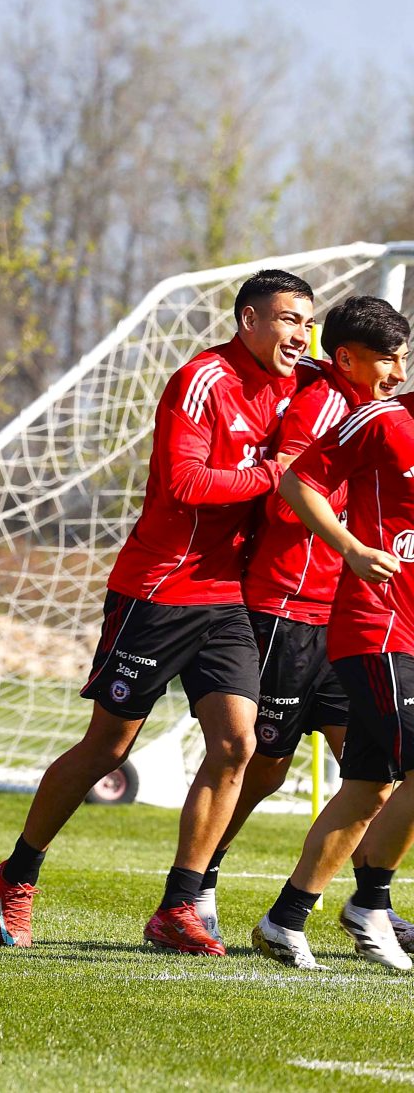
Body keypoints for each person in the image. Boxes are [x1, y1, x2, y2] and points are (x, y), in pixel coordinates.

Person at [0, 269, 313, 953]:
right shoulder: (202, 380)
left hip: (228, 598)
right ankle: (18, 872)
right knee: (108, 745)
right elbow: (186, 481)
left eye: (305, 321)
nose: (297, 334)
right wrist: (273, 472)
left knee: (236, 744)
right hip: (159, 589)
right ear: (248, 318)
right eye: (286, 319)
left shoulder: (301, 385)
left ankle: (178, 904)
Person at [200, 296, 406, 939]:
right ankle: (197, 884)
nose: (398, 374)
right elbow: (289, 499)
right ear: (347, 358)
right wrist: (353, 530)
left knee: (375, 775)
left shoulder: (374, 412)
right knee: (263, 767)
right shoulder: (324, 407)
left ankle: (364, 900)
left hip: (343, 613)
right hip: (287, 604)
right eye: (387, 362)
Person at [254, 360, 414, 969]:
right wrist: (350, 548)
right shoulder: (384, 422)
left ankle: (285, 918)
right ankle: (371, 903)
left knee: (369, 787)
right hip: (377, 628)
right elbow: (297, 482)